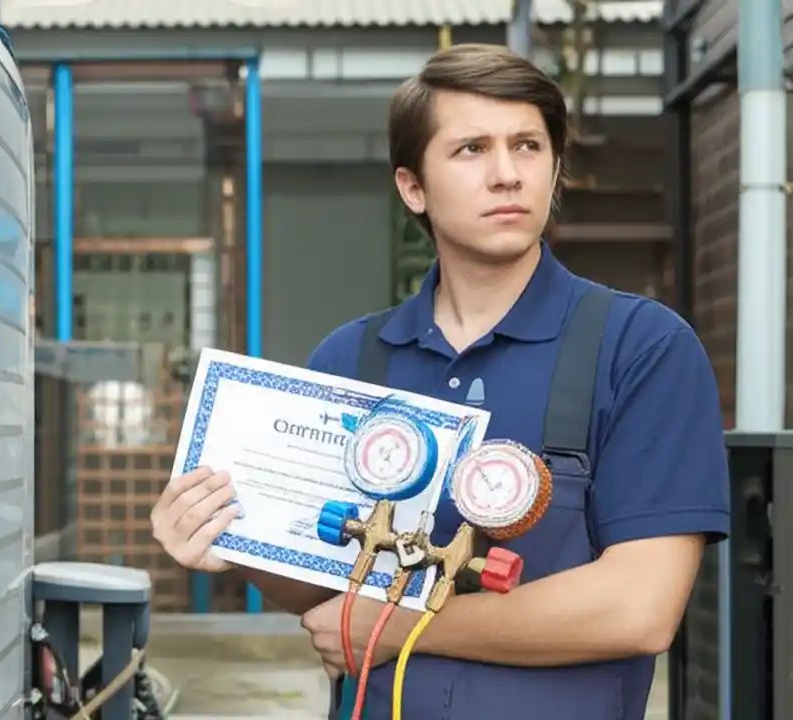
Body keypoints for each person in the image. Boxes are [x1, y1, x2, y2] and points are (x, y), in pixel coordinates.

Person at [149, 43, 730, 720]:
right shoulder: (351, 360)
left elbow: (639, 608)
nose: (507, 175)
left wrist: (408, 628)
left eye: (528, 146)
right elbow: (328, 596)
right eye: (472, 150)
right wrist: (231, 539)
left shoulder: (640, 348)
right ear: (412, 187)